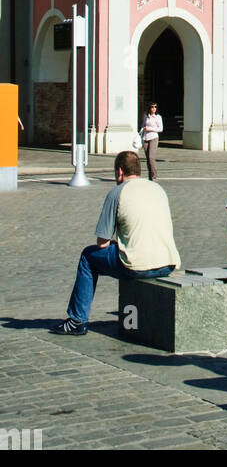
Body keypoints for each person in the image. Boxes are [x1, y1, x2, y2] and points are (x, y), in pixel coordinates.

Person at [51, 150, 180, 335]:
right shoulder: (158, 189)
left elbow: (102, 243)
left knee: (88, 257)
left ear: (119, 172)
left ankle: (77, 320)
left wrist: (115, 243)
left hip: (137, 265)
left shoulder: (117, 192)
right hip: (168, 262)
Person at [139, 102, 163, 181]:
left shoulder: (158, 117)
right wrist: (140, 135)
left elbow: (160, 129)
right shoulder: (146, 116)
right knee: (148, 159)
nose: (154, 108)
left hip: (154, 138)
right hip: (145, 138)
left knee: (151, 157)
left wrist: (150, 129)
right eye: (152, 107)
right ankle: (150, 175)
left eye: (155, 107)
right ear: (149, 108)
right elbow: (143, 126)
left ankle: (154, 175)